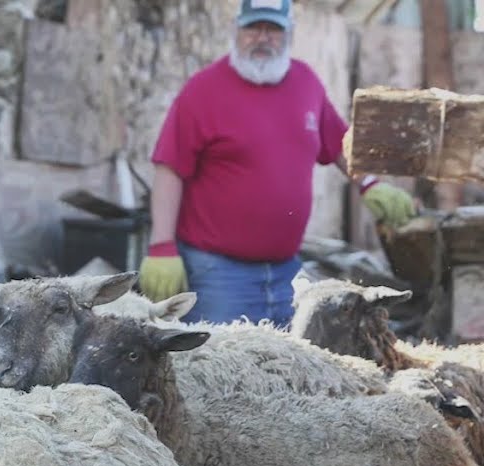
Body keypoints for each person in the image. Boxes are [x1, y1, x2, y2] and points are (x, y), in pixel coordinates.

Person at [138, 0, 416, 326]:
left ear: (289, 35)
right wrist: (161, 246)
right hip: (217, 275)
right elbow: (169, 168)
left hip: (287, 274)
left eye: (273, 29)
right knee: (221, 371)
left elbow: (340, 142)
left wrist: (370, 183)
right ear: (236, 31)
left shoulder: (305, 83)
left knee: (282, 372)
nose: (263, 37)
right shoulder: (202, 90)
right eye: (253, 27)